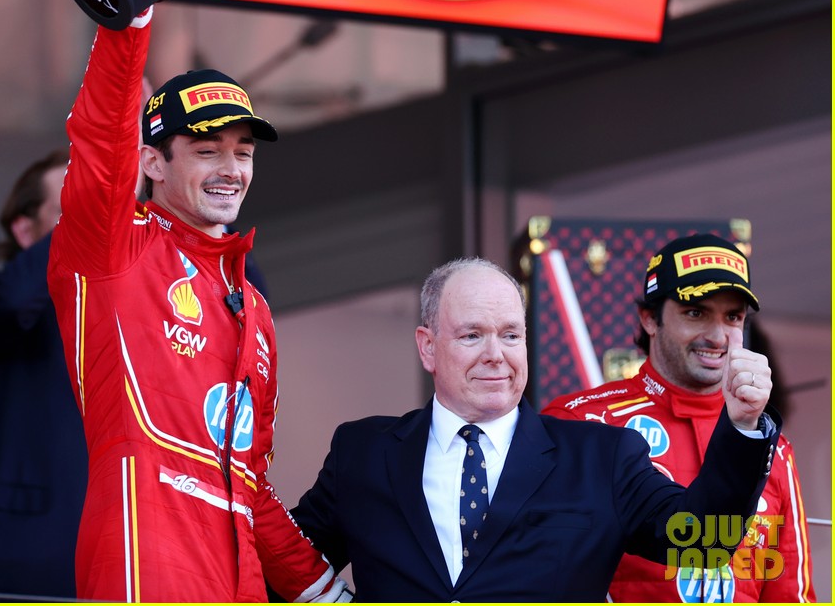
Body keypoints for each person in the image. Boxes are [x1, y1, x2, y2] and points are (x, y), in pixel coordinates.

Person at [46, 0, 351, 603]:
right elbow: (101, 135)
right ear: (154, 162)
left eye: (243, 151)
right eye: (206, 149)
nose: (231, 169)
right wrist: (133, 4)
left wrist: (317, 587)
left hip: (236, 579)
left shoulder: (253, 305)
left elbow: (244, 480)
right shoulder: (115, 244)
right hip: (143, 568)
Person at [290, 256, 781, 601]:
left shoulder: (600, 456)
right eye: (471, 335)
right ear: (427, 347)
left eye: (510, 334)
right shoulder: (363, 453)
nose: (495, 354)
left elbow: (703, 541)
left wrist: (740, 426)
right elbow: (281, 561)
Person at [543, 234, 814, 601]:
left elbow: (792, 595)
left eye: (733, 317)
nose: (718, 336)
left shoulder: (771, 447)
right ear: (650, 319)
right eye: (696, 312)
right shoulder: (583, 423)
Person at [0, 148, 87, 601]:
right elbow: (12, 303)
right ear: (25, 230)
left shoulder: (127, 306)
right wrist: (95, 199)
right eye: (72, 204)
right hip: (19, 562)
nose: (98, 210)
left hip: (124, 555)